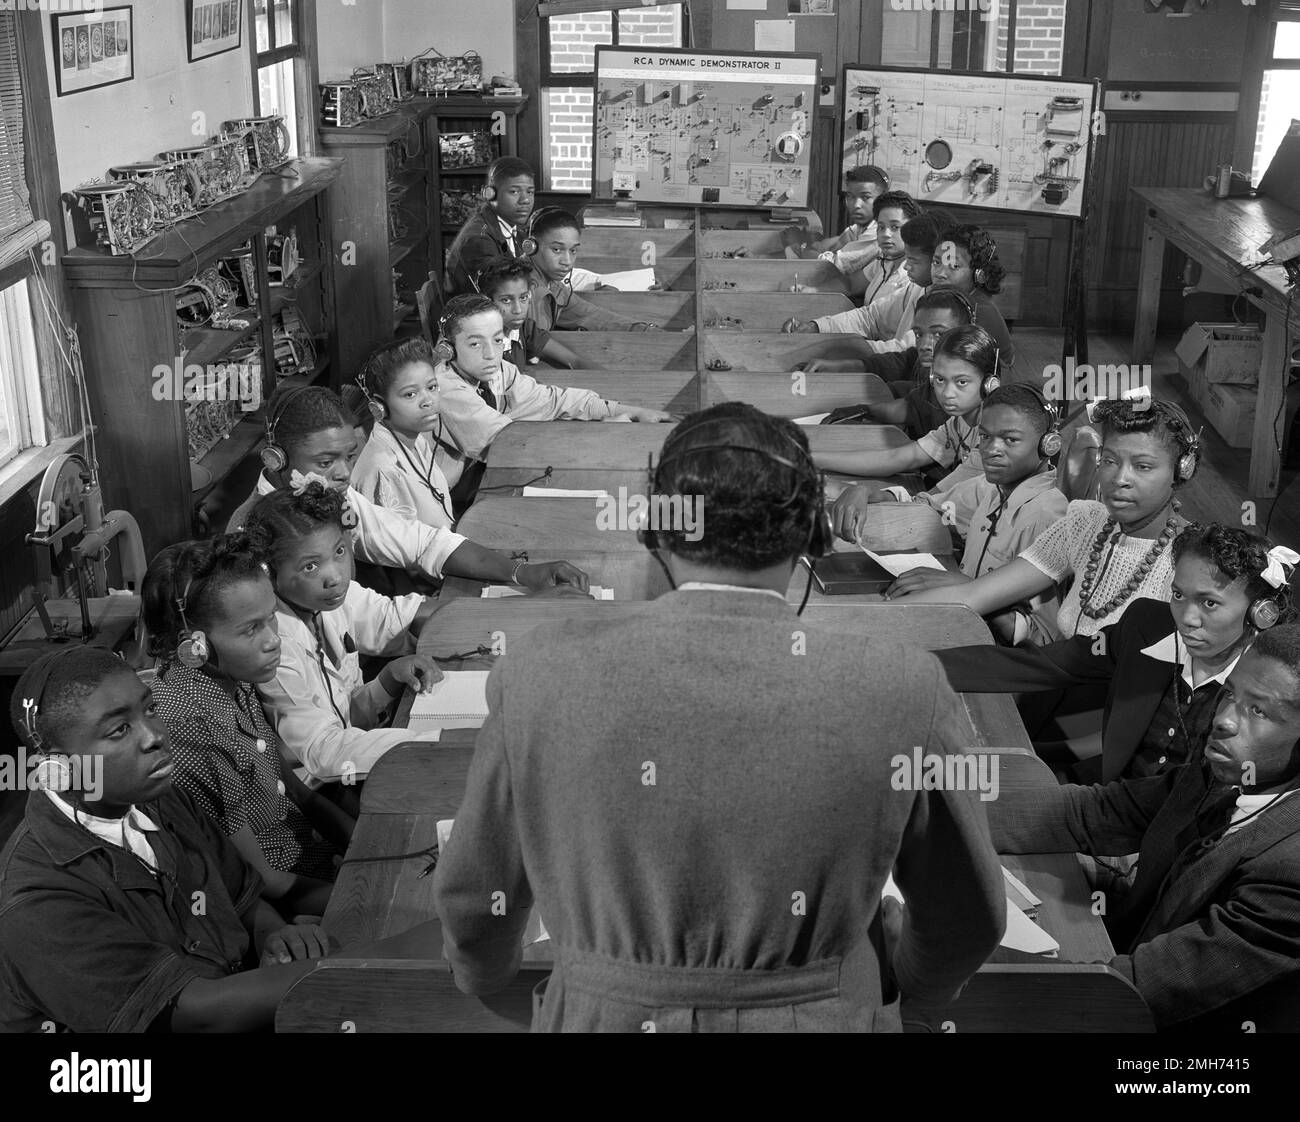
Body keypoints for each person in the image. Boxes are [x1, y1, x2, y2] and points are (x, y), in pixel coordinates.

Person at [435, 403, 1005, 1032]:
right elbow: (968, 914)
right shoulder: (907, 687)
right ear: (813, 535)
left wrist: (494, 981)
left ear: (655, 532)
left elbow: (474, 901)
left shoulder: (536, 672)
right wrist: (913, 991)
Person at [989, 624, 1300, 1032]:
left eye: (1257, 711)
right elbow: (1095, 812)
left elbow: (1146, 986)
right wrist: (929, 818)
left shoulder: (1290, 870)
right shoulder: (1228, 772)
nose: (1222, 720)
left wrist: (998, 984)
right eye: (1230, 694)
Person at [0, 648, 330, 1032]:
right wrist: (345, 967)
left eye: (151, 709)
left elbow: (242, 900)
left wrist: (274, 936)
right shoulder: (36, 901)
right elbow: (192, 1015)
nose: (156, 736)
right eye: (120, 730)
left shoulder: (159, 798)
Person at [933, 527, 1298, 783]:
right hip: (1103, 801)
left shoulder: (1265, 688)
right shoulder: (1147, 626)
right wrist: (923, 667)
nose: (1187, 618)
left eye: (1210, 603)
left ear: (1260, 613)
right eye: (1179, 595)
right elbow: (1040, 665)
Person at [144, 536, 354, 912]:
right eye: (251, 629)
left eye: (271, 617)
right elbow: (264, 882)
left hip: (315, 860)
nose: (274, 640)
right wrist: (359, 898)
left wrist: (362, 845)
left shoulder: (232, 675)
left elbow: (296, 792)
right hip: (287, 897)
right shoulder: (192, 727)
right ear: (195, 645)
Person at [225, 382, 589, 594]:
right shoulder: (249, 538)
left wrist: (520, 572)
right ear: (276, 459)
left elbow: (419, 541)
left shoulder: (321, 492)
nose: (344, 474)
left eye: (349, 457)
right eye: (325, 462)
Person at [898, 395, 1197, 639]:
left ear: (1182, 470)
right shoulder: (1086, 521)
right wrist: (866, 615)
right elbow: (975, 594)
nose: (1120, 478)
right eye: (1109, 460)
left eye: (1143, 467)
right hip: (1058, 680)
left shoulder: (1190, 560)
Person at [245, 482, 442, 785]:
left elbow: (341, 714)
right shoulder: (274, 647)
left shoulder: (324, 601)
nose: (335, 576)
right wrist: (430, 741)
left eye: (339, 551)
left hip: (356, 761)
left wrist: (387, 680)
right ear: (268, 573)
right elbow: (323, 751)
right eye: (310, 566)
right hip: (325, 792)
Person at [873, 383, 1070, 646]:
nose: (991, 449)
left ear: (1048, 445)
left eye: (1010, 439)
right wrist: (878, 496)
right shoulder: (989, 487)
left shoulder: (1046, 516)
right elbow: (932, 510)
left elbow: (1044, 638)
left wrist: (963, 586)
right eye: (986, 437)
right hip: (959, 627)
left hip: (1000, 659)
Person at [431, 295, 672, 497]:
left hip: (481, 478)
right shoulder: (446, 390)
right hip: (449, 501)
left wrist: (624, 410)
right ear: (447, 349)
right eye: (475, 344)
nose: (490, 354)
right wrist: (600, 435)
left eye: (496, 340)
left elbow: (552, 400)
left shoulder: (496, 371)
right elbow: (509, 443)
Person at [817, 324, 998, 513]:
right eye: (940, 380)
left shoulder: (991, 438)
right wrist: (811, 458)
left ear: (989, 384)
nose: (947, 393)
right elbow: (899, 458)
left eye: (961, 382)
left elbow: (930, 503)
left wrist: (849, 490)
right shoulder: (961, 422)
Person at [817, 286, 973, 440]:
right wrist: (838, 367)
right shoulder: (927, 362)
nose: (925, 345)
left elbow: (913, 407)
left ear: (967, 333)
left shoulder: (970, 380)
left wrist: (865, 410)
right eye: (919, 334)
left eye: (939, 334)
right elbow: (892, 364)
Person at [781, 191, 923, 342]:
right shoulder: (884, 261)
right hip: (865, 338)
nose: (886, 234)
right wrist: (814, 290)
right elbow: (850, 284)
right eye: (881, 227)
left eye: (895, 227)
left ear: (913, 229)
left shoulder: (914, 277)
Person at [350, 337, 459, 531]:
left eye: (432, 387)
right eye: (410, 394)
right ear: (379, 406)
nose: (428, 401)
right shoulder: (384, 470)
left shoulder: (417, 441)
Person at [523, 208, 661, 333]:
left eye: (573, 250)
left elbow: (590, 315)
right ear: (531, 246)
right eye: (556, 250)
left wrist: (643, 329)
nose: (567, 261)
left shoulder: (555, 287)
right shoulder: (518, 286)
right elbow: (535, 344)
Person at [443, 156, 535, 298]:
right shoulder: (478, 240)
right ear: (490, 194)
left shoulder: (514, 231)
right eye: (514, 192)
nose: (525, 200)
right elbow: (501, 294)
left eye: (529, 192)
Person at [929, 224, 1017, 370]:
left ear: (979, 275)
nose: (940, 273)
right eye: (936, 262)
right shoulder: (952, 300)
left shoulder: (979, 312)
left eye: (954, 266)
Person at [477, 254, 581, 370]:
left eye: (523, 298)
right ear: (487, 301)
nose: (518, 310)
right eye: (506, 300)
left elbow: (575, 361)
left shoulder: (525, 328)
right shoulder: (478, 341)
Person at [782, 164, 890, 275]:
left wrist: (800, 247)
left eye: (865, 197)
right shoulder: (861, 226)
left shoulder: (878, 233)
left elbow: (830, 265)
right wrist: (814, 245)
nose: (856, 204)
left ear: (882, 199)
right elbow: (835, 243)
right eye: (851, 196)